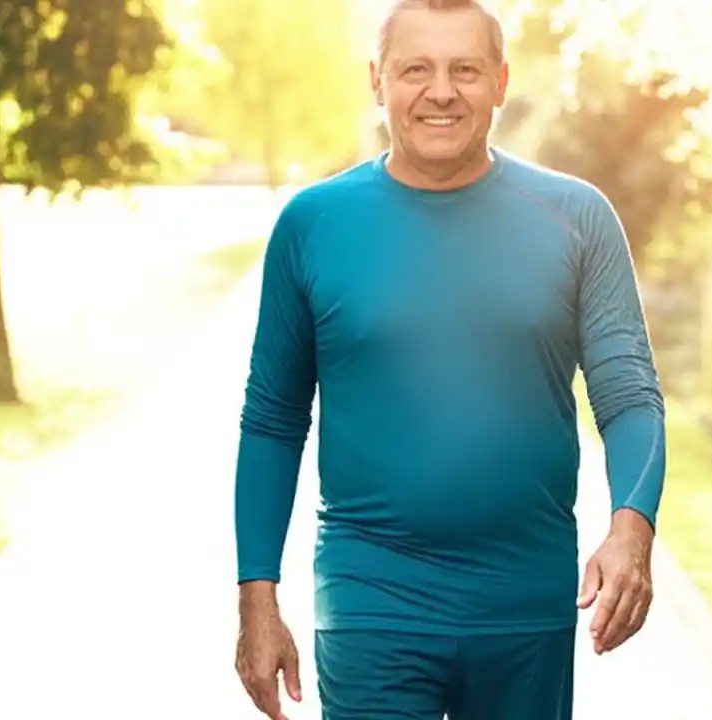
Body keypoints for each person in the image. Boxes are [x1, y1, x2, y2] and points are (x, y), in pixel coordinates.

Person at [233, 1, 667, 718]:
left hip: (525, 605)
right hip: (371, 600)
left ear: (499, 81)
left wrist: (631, 527)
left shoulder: (577, 218)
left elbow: (629, 396)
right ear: (378, 81)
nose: (441, 91)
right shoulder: (312, 224)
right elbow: (272, 420)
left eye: (464, 69)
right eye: (416, 69)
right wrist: (257, 596)